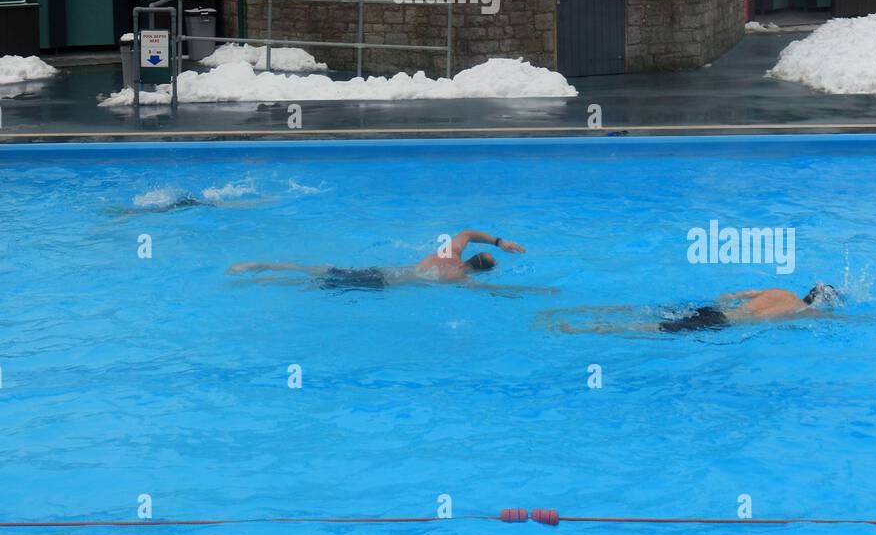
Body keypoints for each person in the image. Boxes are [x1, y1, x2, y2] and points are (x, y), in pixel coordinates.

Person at [228, 229, 551, 295]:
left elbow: (466, 231)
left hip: (381, 271)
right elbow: (503, 291)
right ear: (483, 272)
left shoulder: (447, 254)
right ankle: (264, 282)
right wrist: (539, 291)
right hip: (383, 284)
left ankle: (261, 266)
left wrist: (499, 241)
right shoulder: (459, 279)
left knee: (318, 271)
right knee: (316, 285)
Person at [539, 283, 843, 335]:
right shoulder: (804, 312)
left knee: (651, 313)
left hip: (712, 309)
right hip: (723, 324)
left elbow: (730, 295)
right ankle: (587, 330)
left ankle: (592, 314)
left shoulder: (780, 291)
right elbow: (855, 321)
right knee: (652, 329)